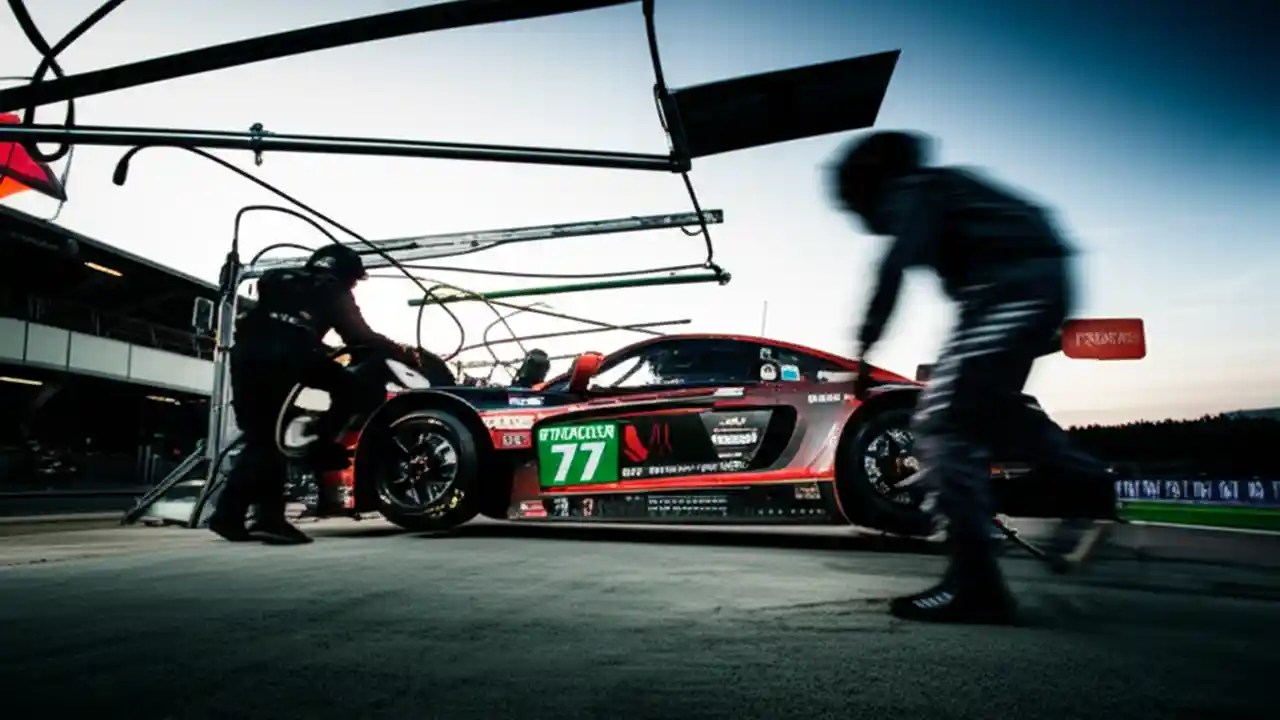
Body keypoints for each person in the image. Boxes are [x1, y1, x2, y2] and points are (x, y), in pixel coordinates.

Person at [834, 130, 1111, 624]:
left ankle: (975, 583)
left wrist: (863, 347)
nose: (872, 227)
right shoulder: (948, 190)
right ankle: (1086, 482)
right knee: (987, 409)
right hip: (1024, 288)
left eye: (863, 214)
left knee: (941, 421)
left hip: (1012, 289)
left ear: (872, 187)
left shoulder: (913, 189)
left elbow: (893, 267)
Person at [208, 244, 425, 545]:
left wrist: (320, 350)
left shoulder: (282, 278)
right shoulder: (331, 288)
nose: (352, 286)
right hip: (286, 355)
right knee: (357, 389)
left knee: (261, 437)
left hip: (246, 354)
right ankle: (320, 447)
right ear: (345, 273)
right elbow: (358, 337)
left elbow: (280, 323)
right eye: (352, 280)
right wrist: (400, 352)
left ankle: (230, 516)